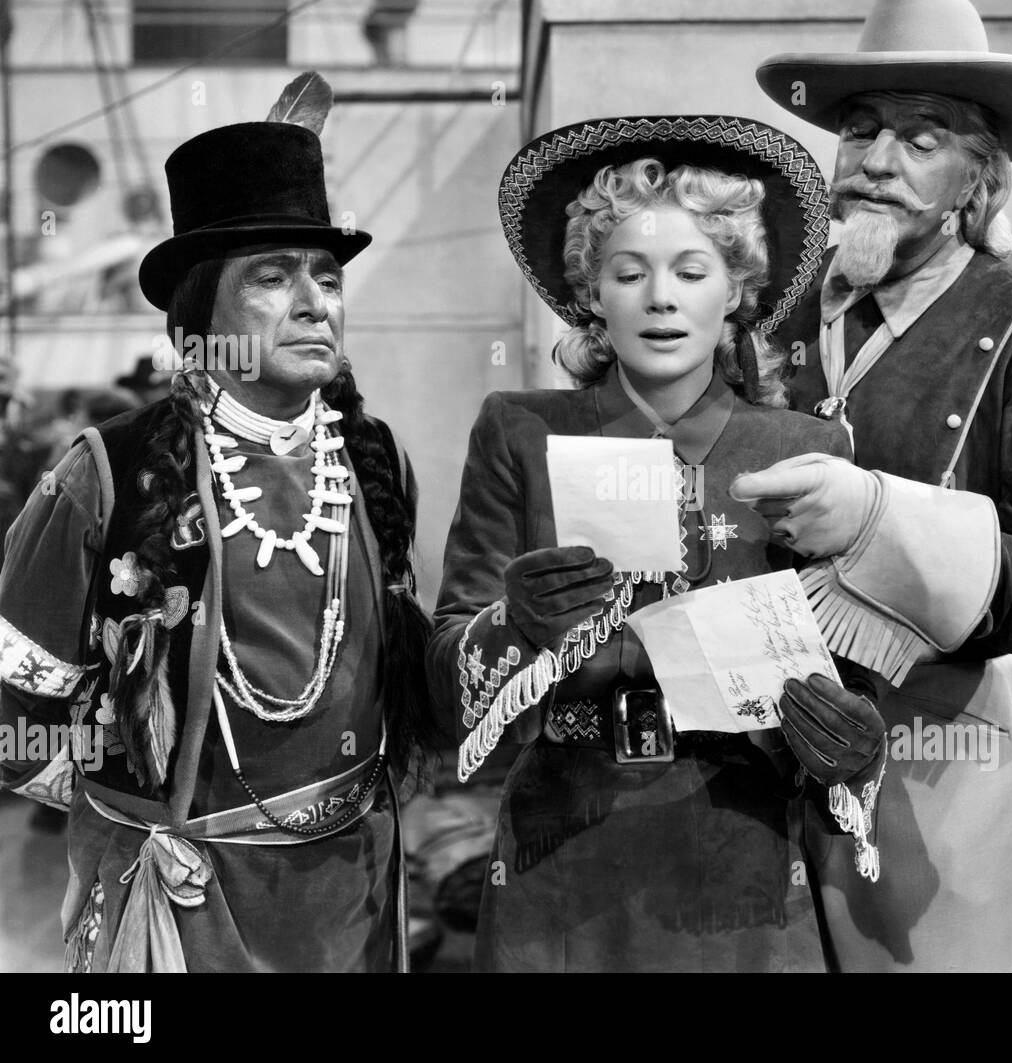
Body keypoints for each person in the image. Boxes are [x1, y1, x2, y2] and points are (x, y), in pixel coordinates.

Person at [428, 115, 888, 972]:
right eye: (629, 273)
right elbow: (448, 692)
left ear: (737, 292)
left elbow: (845, 676)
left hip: (740, 871)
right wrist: (514, 625)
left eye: (691, 271)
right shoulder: (520, 431)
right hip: (558, 870)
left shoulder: (806, 450)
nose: (661, 298)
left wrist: (855, 746)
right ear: (591, 293)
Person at [0, 101, 434, 971]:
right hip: (181, 904)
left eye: (328, 276)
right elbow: (13, 715)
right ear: (200, 314)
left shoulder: (373, 460)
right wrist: (124, 808)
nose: (316, 304)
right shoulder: (106, 471)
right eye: (273, 277)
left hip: (349, 901)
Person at [734, 0, 1012, 971]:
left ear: (975, 181)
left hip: (943, 759)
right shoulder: (769, 310)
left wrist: (880, 519)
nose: (876, 159)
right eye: (861, 130)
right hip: (762, 751)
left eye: (922, 137)